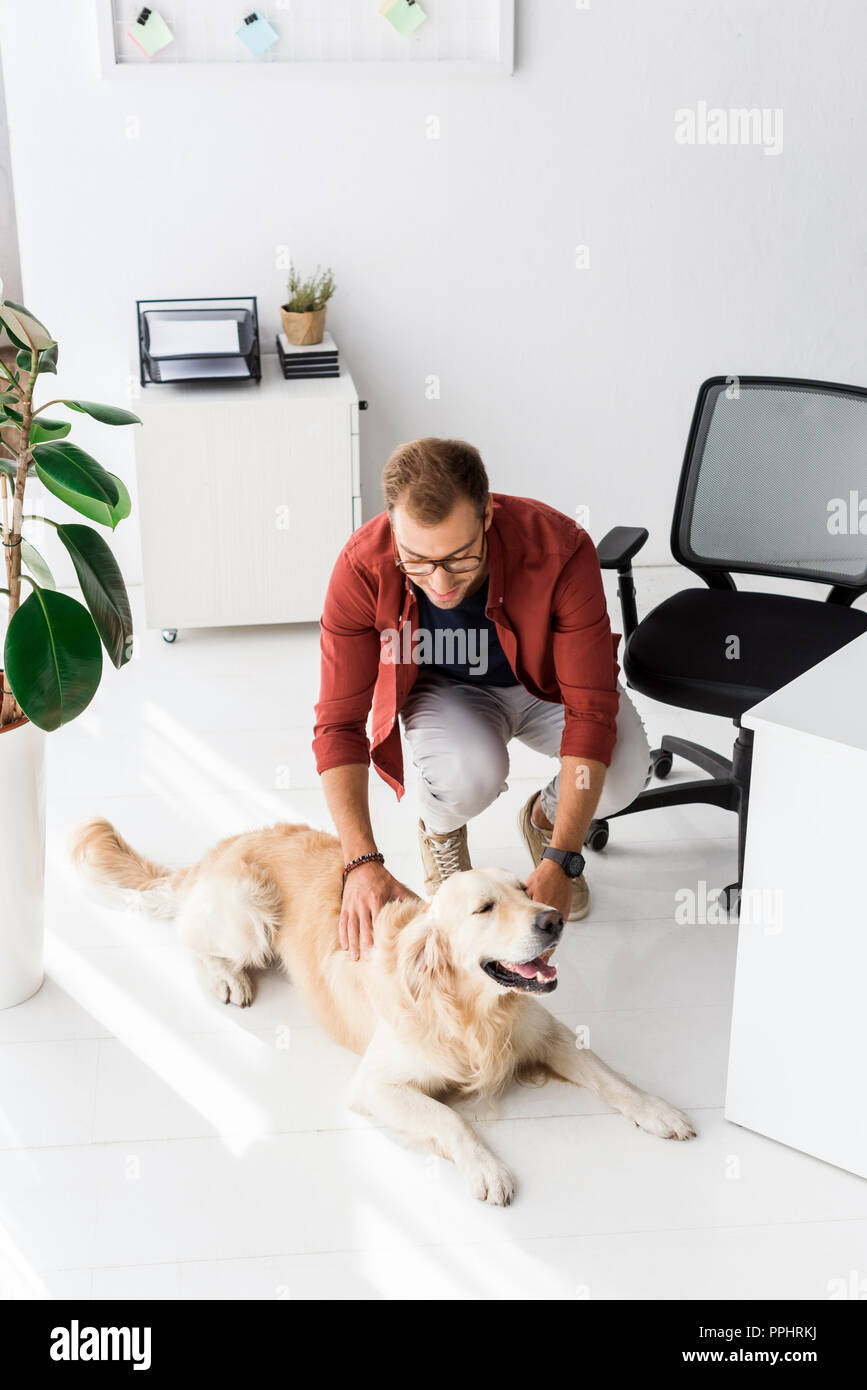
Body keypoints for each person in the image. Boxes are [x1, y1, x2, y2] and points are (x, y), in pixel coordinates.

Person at [313, 437, 651, 961]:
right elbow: (338, 725)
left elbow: (590, 710)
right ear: (393, 529)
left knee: (624, 774)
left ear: (488, 514)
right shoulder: (363, 566)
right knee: (468, 773)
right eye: (417, 562)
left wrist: (563, 858)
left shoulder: (560, 548)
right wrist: (360, 862)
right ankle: (442, 833)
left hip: (547, 685)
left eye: (459, 556)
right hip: (449, 692)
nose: (440, 582)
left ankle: (545, 821)